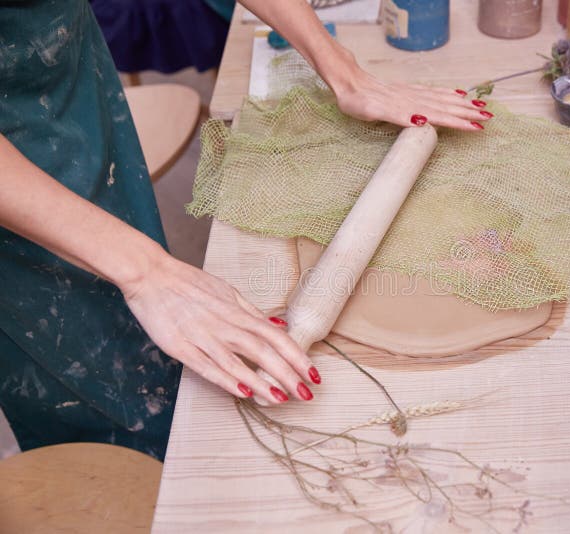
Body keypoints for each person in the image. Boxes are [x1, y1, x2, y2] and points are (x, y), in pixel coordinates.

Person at [0, 0, 491, 460]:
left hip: (69, 76)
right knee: (96, 404)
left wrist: (343, 72)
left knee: (160, 341)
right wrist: (146, 272)